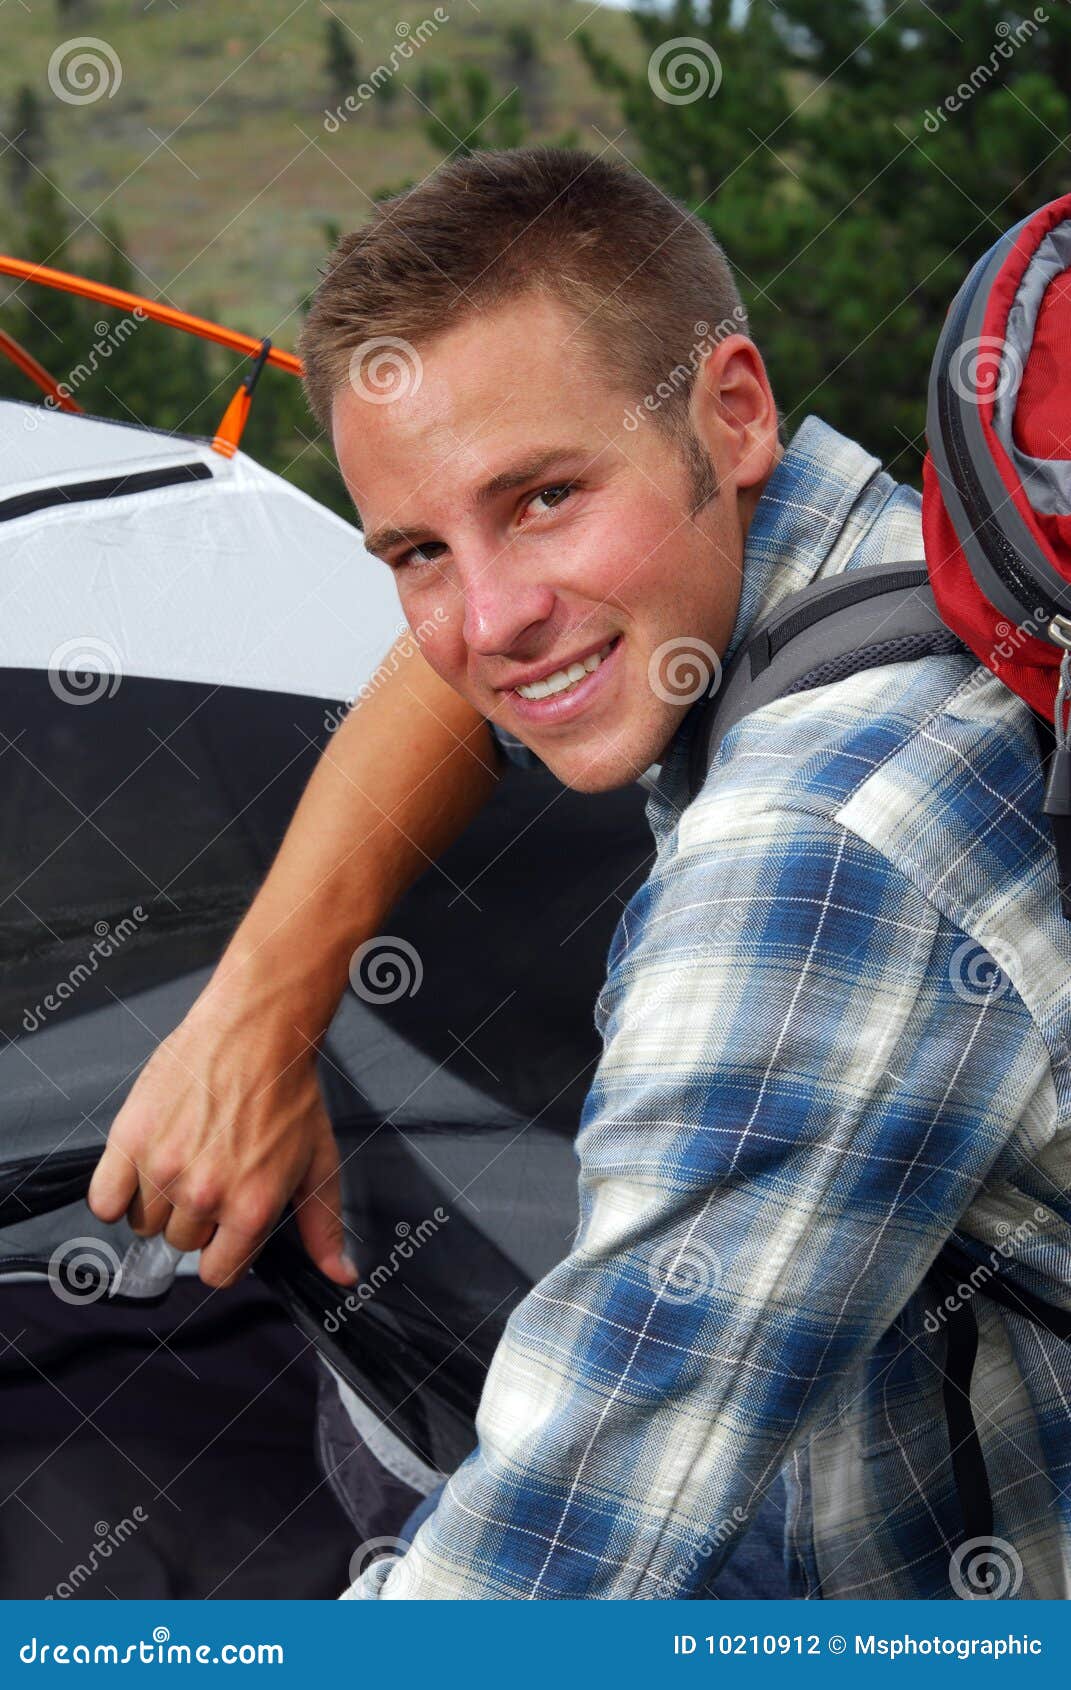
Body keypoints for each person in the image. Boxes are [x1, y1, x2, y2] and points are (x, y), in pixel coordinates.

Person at [89, 146, 1071, 1599]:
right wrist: (257, 1009)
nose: (486, 619)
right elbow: (510, 623)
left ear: (732, 410)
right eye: (416, 549)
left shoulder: (813, 855)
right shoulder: (908, 573)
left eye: (543, 496)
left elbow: (543, 1575)